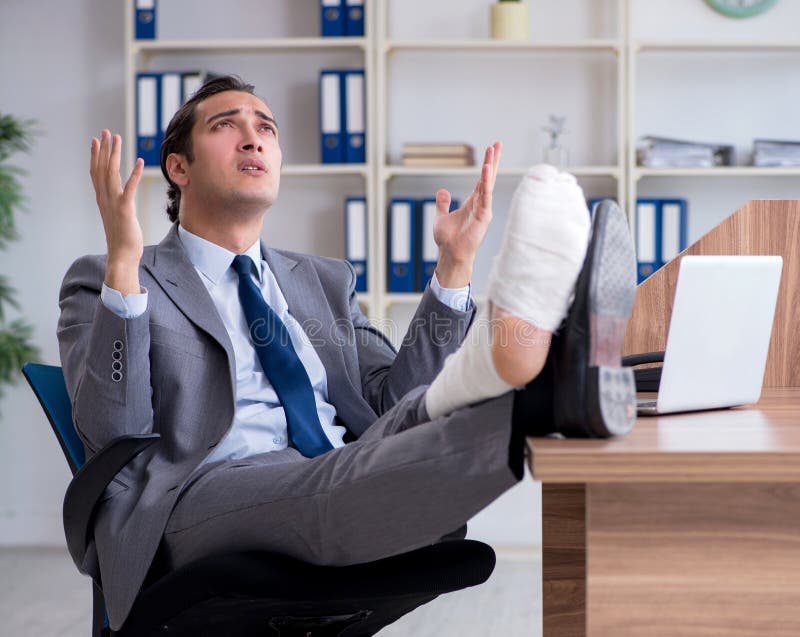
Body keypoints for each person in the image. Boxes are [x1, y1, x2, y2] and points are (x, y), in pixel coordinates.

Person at [57, 75, 637, 631]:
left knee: (414, 417)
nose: (254, 137)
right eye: (226, 126)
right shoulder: (111, 279)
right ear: (178, 168)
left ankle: (543, 373)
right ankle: (544, 385)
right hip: (199, 497)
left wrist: (455, 268)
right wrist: (123, 268)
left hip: (343, 467)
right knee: (331, 477)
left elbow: (393, 399)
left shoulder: (320, 280)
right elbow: (113, 434)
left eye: (267, 128)